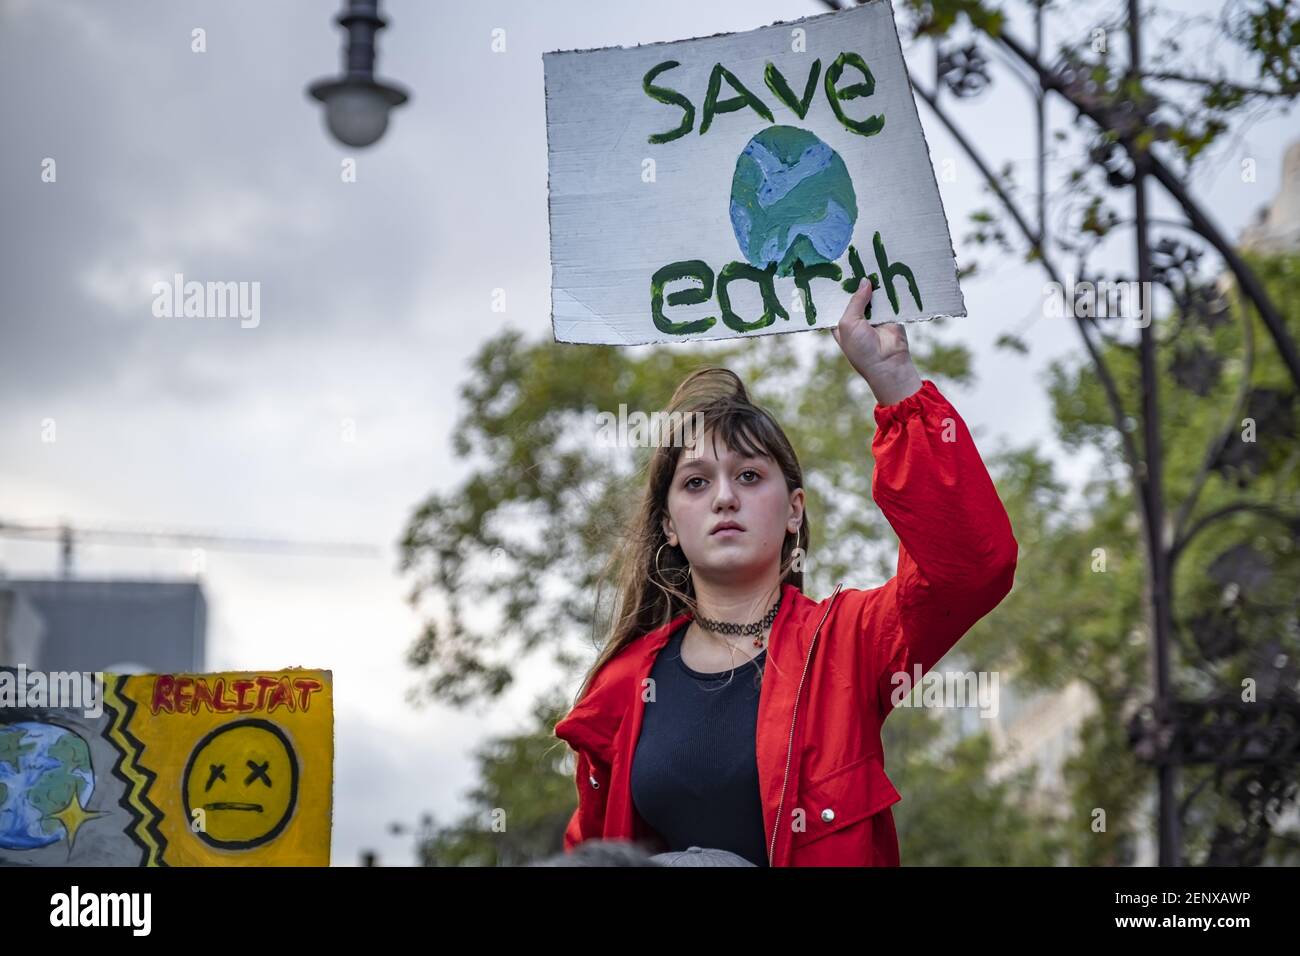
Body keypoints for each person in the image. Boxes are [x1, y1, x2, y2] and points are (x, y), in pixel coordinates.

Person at [553, 280, 1019, 866]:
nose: (724, 497)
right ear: (670, 524)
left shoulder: (849, 641)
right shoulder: (620, 687)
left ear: (794, 509)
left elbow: (972, 568)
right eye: (696, 482)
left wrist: (896, 382)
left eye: (749, 476)